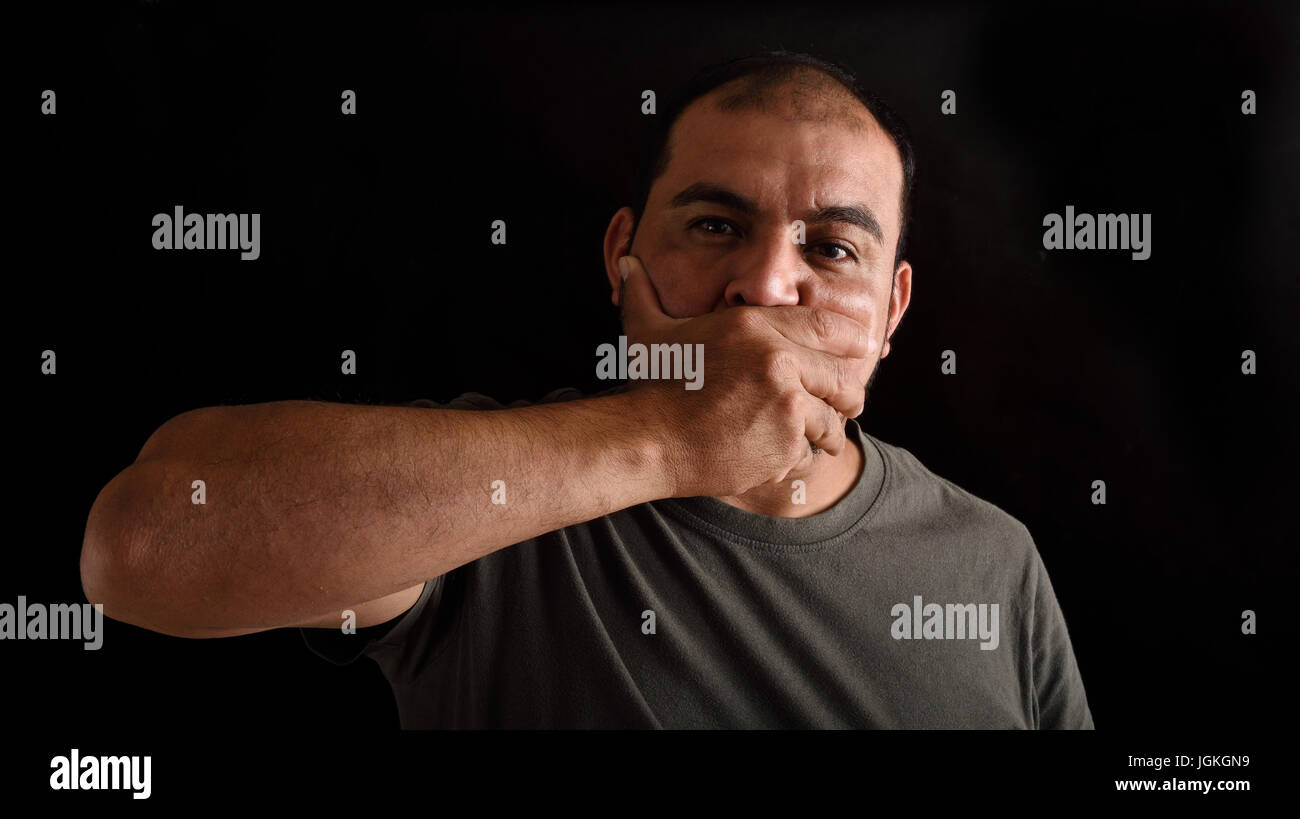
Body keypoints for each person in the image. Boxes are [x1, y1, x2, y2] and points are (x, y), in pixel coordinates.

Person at [80, 51, 1094, 728]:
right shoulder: (493, 505)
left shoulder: (993, 561)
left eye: (830, 247)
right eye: (712, 226)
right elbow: (141, 545)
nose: (764, 285)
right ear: (622, 257)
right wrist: (667, 437)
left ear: (892, 313)